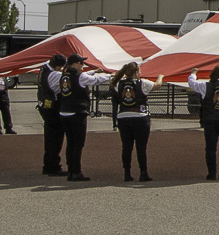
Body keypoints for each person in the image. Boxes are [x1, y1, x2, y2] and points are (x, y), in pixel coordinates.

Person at [52, 53, 112, 181]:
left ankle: (70, 170)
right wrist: (110, 75)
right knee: (78, 143)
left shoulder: (64, 75)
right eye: (81, 63)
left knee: (71, 142)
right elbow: (93, 80)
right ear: (74, 64)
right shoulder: (79, 76)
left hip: (64, 111)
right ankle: (76, 171)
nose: (83, 66)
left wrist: (94, 71)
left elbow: (86, 76)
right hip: (77, 112)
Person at [110, 62, 166, 181]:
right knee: (141, 147)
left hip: (123, 118)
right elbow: (157, 85)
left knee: (126, 147)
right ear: (136, 72)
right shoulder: (143, 83)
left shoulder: (118, 84)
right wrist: (160, 77)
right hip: (140, 118)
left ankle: (127, 173)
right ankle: (143, 173)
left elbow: (114, 89)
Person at [37, 53, 67, 176]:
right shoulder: (54, 75)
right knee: (55, 138)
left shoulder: (43, 70)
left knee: (50, 138)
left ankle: (48, 165)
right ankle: (53, 166)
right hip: (52, 109)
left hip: (44, 106)